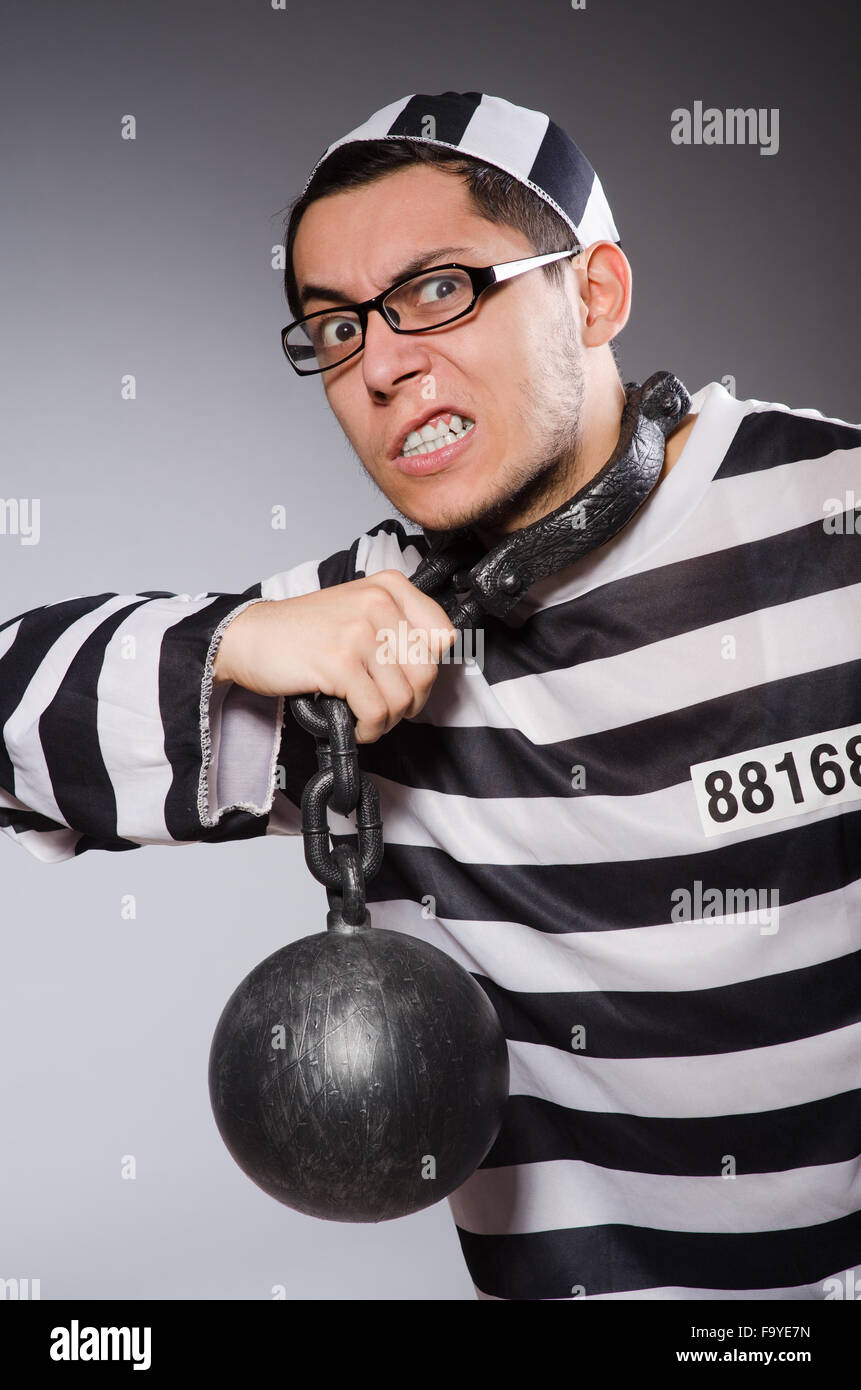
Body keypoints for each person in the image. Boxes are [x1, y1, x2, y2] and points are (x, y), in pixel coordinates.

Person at [2, 90, 860, 1301]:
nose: (387, 362)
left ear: (596, 292)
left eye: (441, 289)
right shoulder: (351, 629)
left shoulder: (836, 521)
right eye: (337, 328)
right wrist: (232, 640)